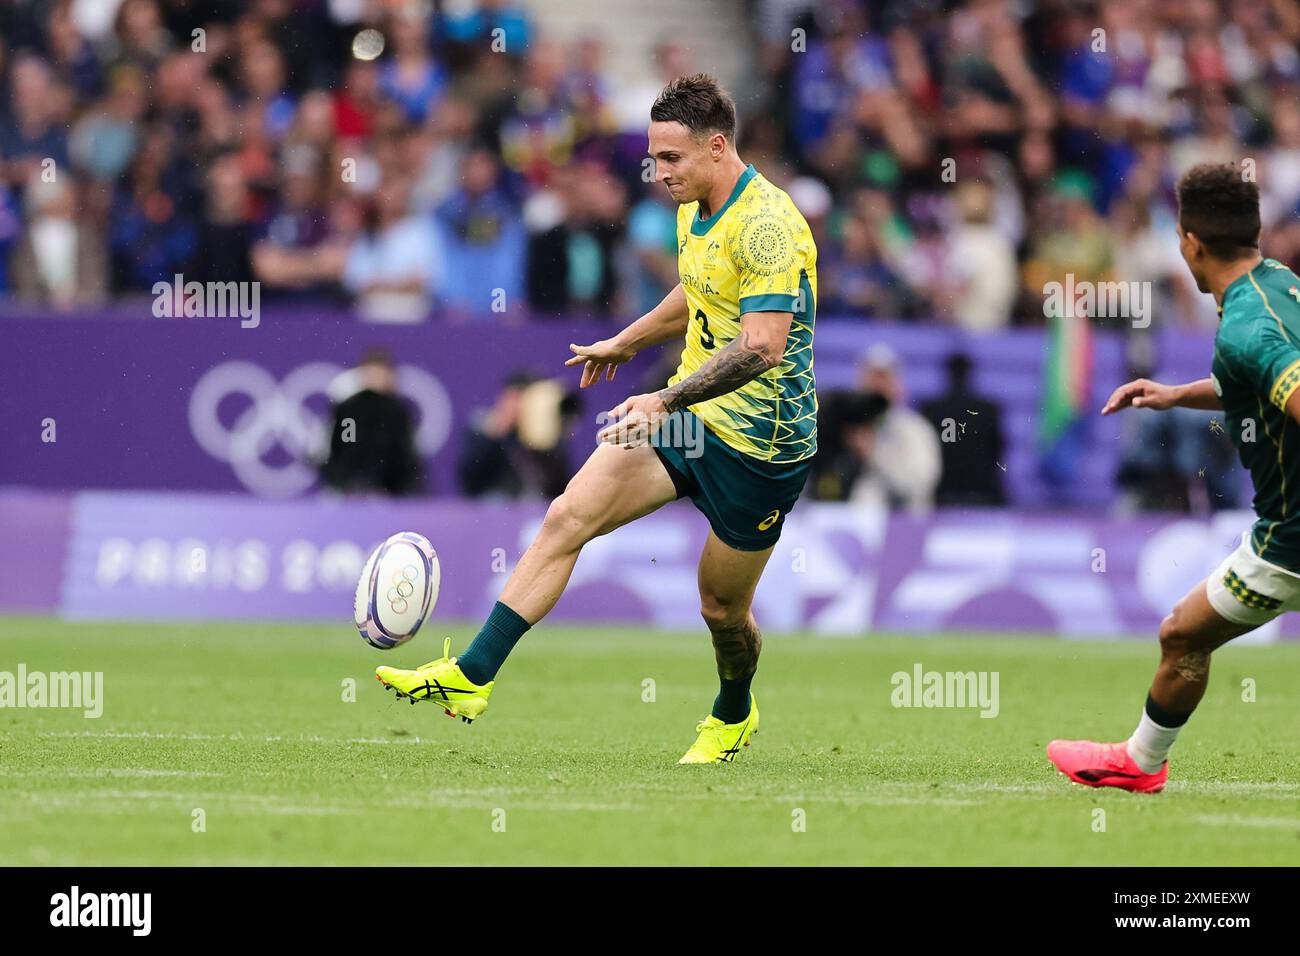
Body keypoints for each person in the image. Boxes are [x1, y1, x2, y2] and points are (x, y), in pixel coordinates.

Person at [375, 74, 818, 764]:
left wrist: (664, 399)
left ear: (718, 147)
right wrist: (629, 341)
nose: (659, 172)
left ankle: (734, 711)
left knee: (722, 612)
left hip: (761, 444)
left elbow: (763, 344)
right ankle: (472, 675)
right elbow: (699, 291)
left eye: (671, 159)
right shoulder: (695, 203)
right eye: (654, 157)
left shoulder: (766, 225)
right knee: (565, 516)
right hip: (688, 419)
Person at [1048, 162, 1300, 793]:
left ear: (1188, 241)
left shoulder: (1249, 324)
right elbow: (1258, 382)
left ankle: (1141, 763)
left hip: (1290, 535)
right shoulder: (1280, 285)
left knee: (1182, 634)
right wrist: (1175, 394)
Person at [320, 349, 423, 496]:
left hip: (389, 490)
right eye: (372, 373)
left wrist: (401, 486)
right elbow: (344, 447)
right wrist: (344, 481)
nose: (376, 378)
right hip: (350, 488)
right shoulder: (350, 410)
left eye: (380, 373)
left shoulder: (398, 413)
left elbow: (405, 453)